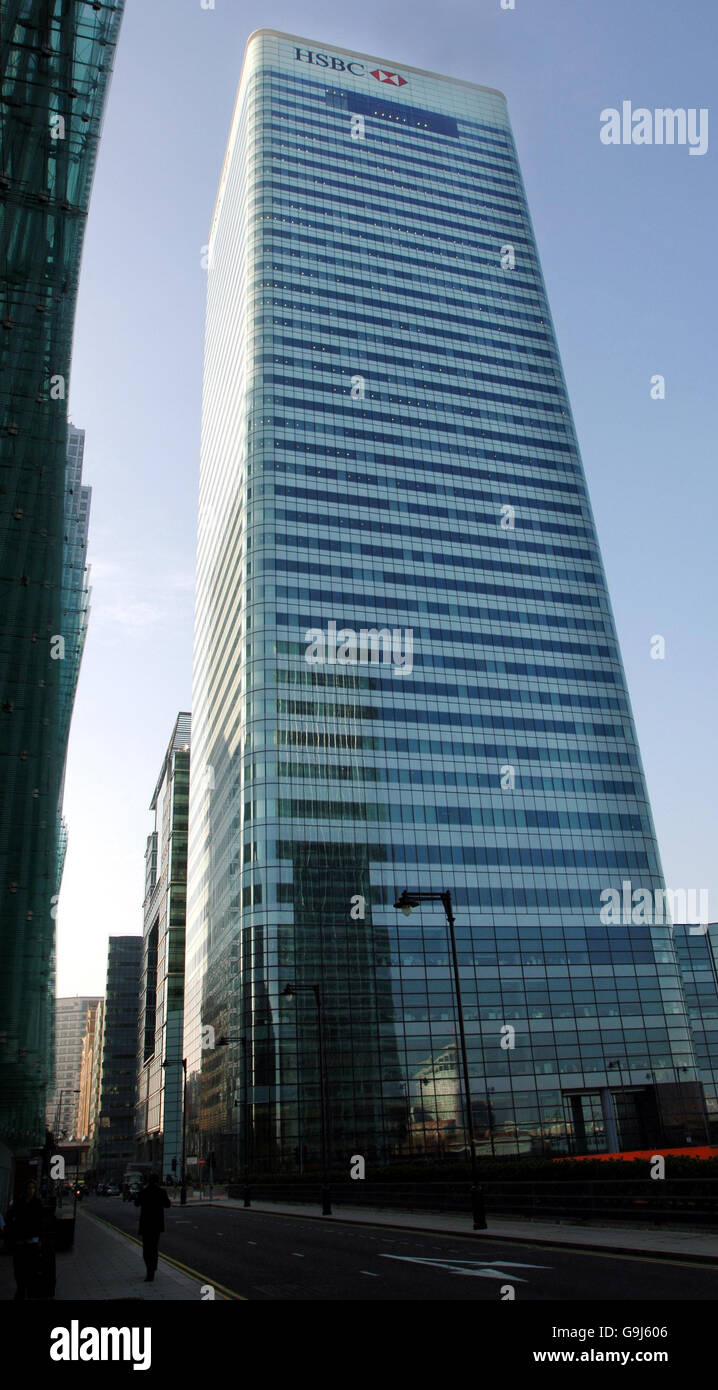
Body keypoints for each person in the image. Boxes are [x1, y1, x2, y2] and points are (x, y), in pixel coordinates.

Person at [6, 1180, 44, 1300]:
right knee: (19, 1271)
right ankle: (21, 1291)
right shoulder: (18, 1202)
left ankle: (29, 1292)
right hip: (19, 1242)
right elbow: (10, 1217)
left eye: (33, 1188)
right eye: (28, 1188)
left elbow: (40, 1222)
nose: (30, 1190)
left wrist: (40, 1239)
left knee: (31, 1271)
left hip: (32, 1242)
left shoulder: (37, 1203)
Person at [134, 1173, 171, 1282]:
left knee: (146, 1249)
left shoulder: (144, 1192)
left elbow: (136, 1204)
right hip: (156, 1224)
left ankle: (149, 1268)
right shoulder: (161, 1192)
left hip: (146, 1224)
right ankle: (152, 1268)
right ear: (157, 1181)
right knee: (154, 1248)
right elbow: (167, 1204)